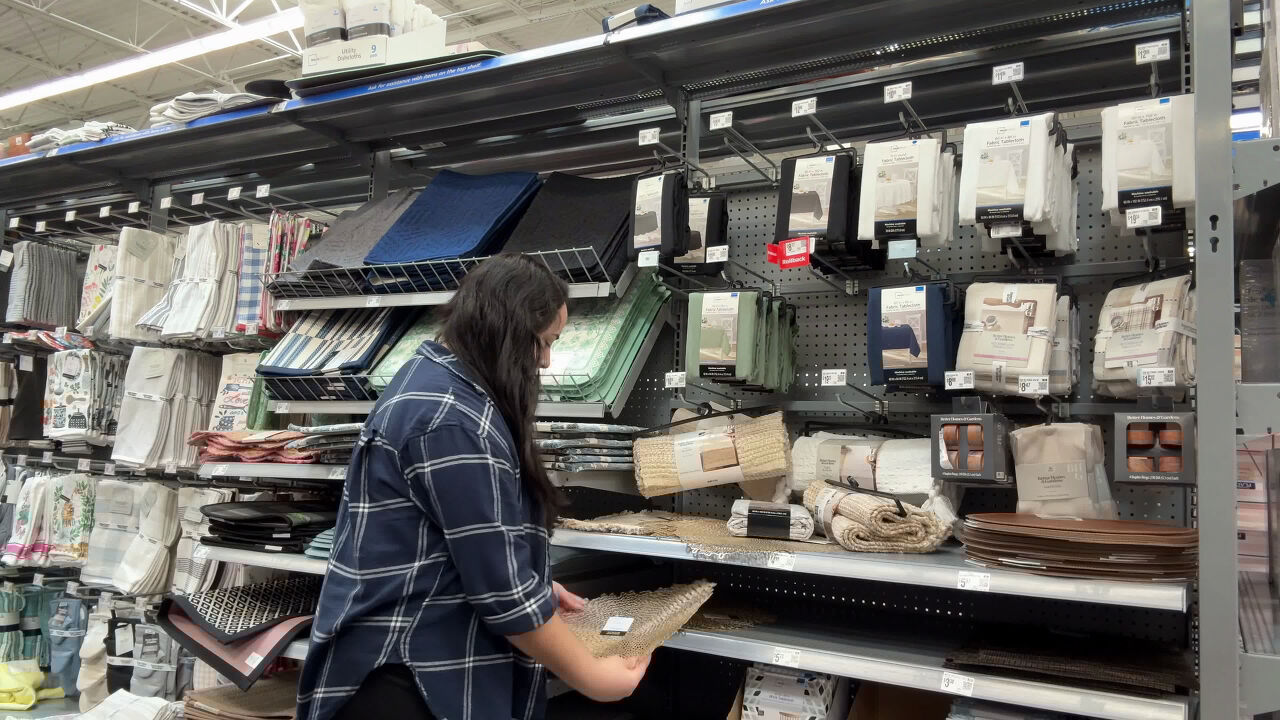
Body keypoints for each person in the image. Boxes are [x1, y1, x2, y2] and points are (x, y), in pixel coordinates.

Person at [297, 254, 650, 720]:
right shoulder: (453, 419)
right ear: (507, 330)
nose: (545, 361)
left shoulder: (437, 385)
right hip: (412, 678)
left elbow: (454, 544)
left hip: (411, 664)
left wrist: (535, 585)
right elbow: (501, 595)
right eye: (543, 343)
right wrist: (599, 680)